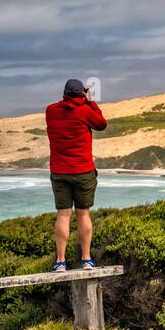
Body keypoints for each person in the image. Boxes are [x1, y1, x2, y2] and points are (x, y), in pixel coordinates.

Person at [45, 79, 107, 271]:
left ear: (64, 93)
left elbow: (64, 107)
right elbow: (101, 124)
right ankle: (86, 259)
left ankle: (60, 261)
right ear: (82, 93)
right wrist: (89, 101)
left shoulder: (51, 111)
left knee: (63, 215)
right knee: (83, 214)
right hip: (83, 170)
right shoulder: (85, 110)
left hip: (59, 171)